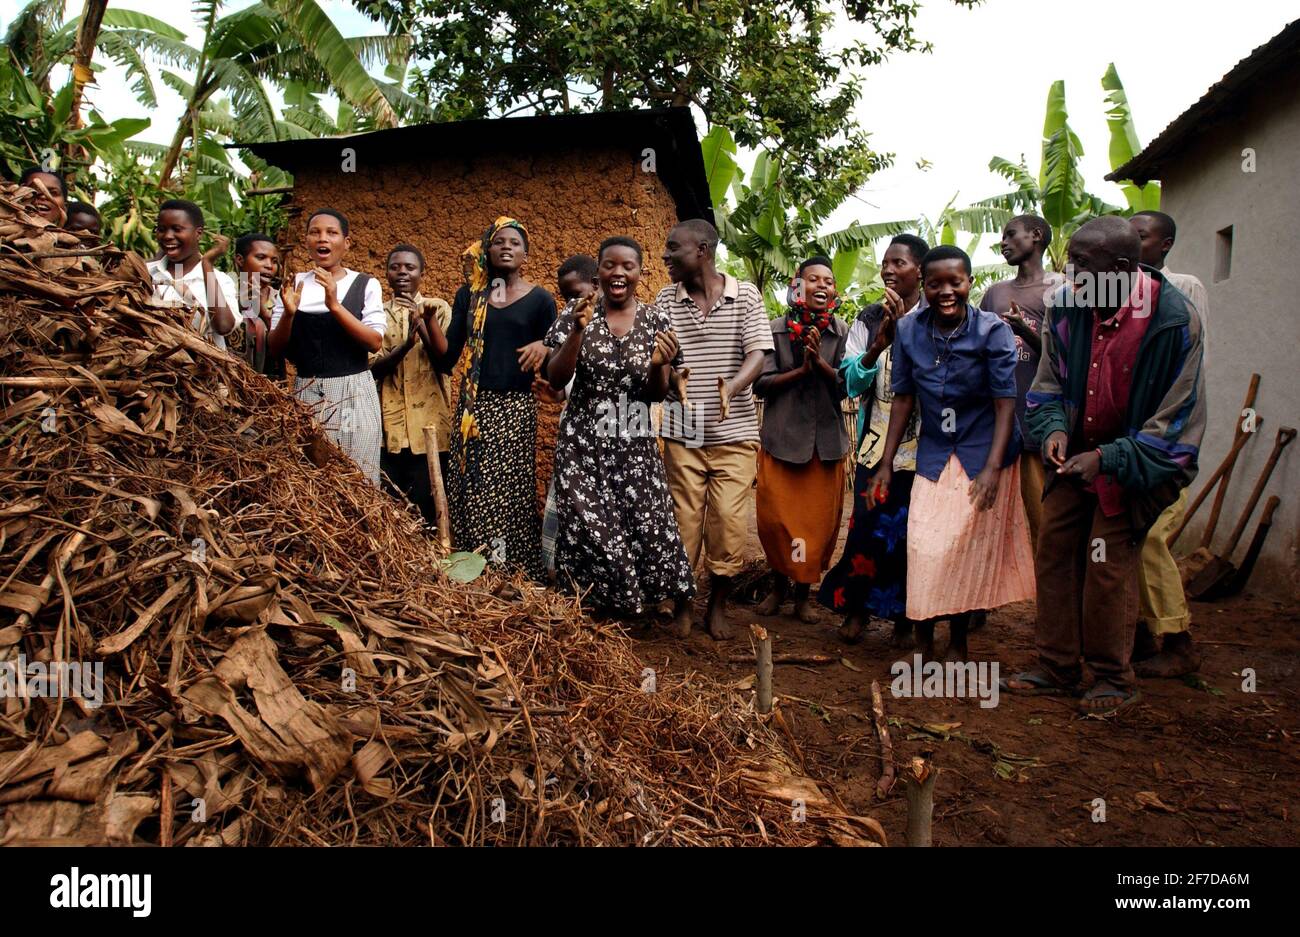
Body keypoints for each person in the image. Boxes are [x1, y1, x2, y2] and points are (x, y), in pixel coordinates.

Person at [1007, 216, 1206, 714]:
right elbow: (1048, 383)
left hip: (1137, 461)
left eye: (1080, 263)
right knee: (1054, 548)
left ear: (1119, 268)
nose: (1069, 273)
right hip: (1077, 454)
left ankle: (1114, 677)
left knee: (1106, 561)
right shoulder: (1067, 307)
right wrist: (1053, 428)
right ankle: (1058, 666)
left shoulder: (1174, 321)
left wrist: (1109, 458)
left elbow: (1174, 422)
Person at [870, 245, 1035, 662]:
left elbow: (1004, 401)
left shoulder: (993, 330)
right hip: (935, 450)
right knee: (923, 544)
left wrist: (993, 468)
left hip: (984, 447)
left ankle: (958, 639)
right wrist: (886, 463)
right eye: (935, 284)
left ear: (970, 283)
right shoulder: (909, 331)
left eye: (955, 283)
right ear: (924, 286)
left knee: (967, 547)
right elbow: (904, 397)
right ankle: (924, 639)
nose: (946, 292)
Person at [542, 236, 694, 616]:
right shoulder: (575, 314)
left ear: (640, 273)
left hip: (634, 438)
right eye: (610, 265)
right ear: (599, 272)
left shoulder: (656, 319)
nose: (619, 273)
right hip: (582, 441)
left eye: (628, 266)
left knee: (643, 525)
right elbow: (557, 378)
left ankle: (636, 605)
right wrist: (577, 332)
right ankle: (598, 604)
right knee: (589, 526)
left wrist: (660, 364)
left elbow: (657, 395)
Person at [657, 219, 774, 640]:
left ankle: (718, 606)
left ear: (702, 251)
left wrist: (735, 386)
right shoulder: (665, 299)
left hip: (736, 431)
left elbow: (758, 353)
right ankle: (684, 603)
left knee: (727, 522)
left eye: (674, 248)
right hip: (683, 431)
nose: (665, 255)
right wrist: (671, 376)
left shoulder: (745, 296)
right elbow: (660, 358)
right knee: (684, 521)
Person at [429, 217, 556, 578]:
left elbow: (560, 354)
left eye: (514, 243)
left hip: (516, 409)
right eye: (498, 241)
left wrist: (544, 347)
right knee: (471, 486)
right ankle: (472, 563)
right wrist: (424, 325)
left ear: (526, 255)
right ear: (487, 250)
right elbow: (447, 357)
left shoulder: (540, 300)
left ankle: (508, 567)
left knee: (510, 491)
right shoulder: (469, 296)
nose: (506, 247)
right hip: (474, 407)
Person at [818, 234, 929, 645]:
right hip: (874, 445)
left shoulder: (938, 316)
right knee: (865, 529)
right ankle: (857, 610)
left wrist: (907, 333)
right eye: (885, 263)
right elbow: (848, 383)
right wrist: (876, 347)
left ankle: (903, 616)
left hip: (924, 452)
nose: (887, 270)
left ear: (920, 269)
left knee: (908, 536)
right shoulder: (867, 319)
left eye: (898, 263)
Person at [1127, 209, 1207, 677]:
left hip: (1169, 438)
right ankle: (1138, 632)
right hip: (1130, 438)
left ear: (1165, 244)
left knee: (1153, 535)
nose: (1131, 246)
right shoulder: (1115, 293)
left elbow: (1190, 365)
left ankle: (1179, 640)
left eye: (1141, 237)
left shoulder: (1184, 290)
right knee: (1125, 535)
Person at [753, 256, 849, 622]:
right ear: (797, 285)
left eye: (828, 280)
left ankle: (803, 596)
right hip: (782, 439)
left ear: (834, 291)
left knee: (814, 527)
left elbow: (848, 388)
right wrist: (801, 371)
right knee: (776, 521)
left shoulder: (842, 333)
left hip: (824, 446)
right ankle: (778, 588)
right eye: (813, 279)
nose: (821, 285)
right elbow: (760, 384)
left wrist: (821, 368)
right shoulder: (774, 330)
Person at [269, 208, 385, 483]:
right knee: (312, 482)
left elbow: (374, 342)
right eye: (315, 232)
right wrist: (288, 313)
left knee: (359, 479)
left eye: (332, 233)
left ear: (346, 242)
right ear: (307, 241)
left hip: (354, 393)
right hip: (307, 395)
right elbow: (275, 348)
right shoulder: (294, 286)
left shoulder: (365, 284)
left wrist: (334, 304)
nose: (323, 238)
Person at [978, 215, 1065, 548]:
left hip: (1036, 420)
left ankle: (1048, 590)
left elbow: (1065, 359)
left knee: (1041, 518)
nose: (1004, 242)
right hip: (996, 419)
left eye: (1011, 235)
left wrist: (1024, 330)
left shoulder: (1061, 290)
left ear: (1037, 235)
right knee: (992, 518)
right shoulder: (994, 293)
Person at [370, 244, 454, 525]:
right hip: (389, 429)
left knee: (429, 509)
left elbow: (444, 361)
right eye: (395, 267)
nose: (402, 272)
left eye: (410, 267)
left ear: (422, 273)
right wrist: (406, 345)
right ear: (386, 274)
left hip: (430, 426)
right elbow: (374, 368)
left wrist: (422, 324)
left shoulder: (438, 308)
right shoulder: (377, 313)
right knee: (391, 508)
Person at [540, 254, 597, 581]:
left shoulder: (622, 320)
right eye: (565, 295)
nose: (570, 302)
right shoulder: (567, 322)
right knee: (566, 506)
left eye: (576, 292)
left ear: (596, 284)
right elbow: (560, 378)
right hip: (574, 429)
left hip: (614, 432)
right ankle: (560, 578)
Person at [147, 199, 238, 351]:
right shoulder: (145, 272)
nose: (168, 236)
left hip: (203, 370)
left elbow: (223, 326)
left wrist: (207, 264)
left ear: (198, 233)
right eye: (161, 229)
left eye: (177, 229)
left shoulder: (221, 280)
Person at [231, 232, 281, 375]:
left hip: (273, 385)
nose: (269, 266)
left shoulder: (281, 298)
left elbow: (287, 344)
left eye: (274, 261)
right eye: (261, 258)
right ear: (240, 260)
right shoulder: (226, 295)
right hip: (232, 382)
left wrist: (264, 313)